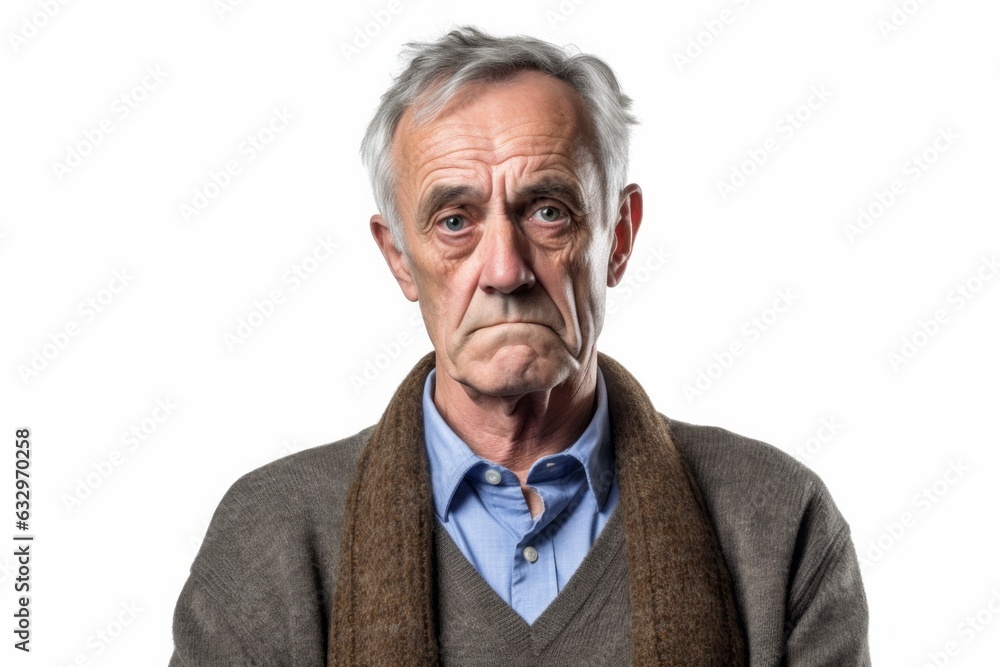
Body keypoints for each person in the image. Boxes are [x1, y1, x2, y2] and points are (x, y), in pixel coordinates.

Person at [169, 26, 870, 666]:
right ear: (399, 258)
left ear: (618, 238)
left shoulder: (775, 522)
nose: (505, 269)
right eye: (454, 221)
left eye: (547, 211)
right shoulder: (271, 538)